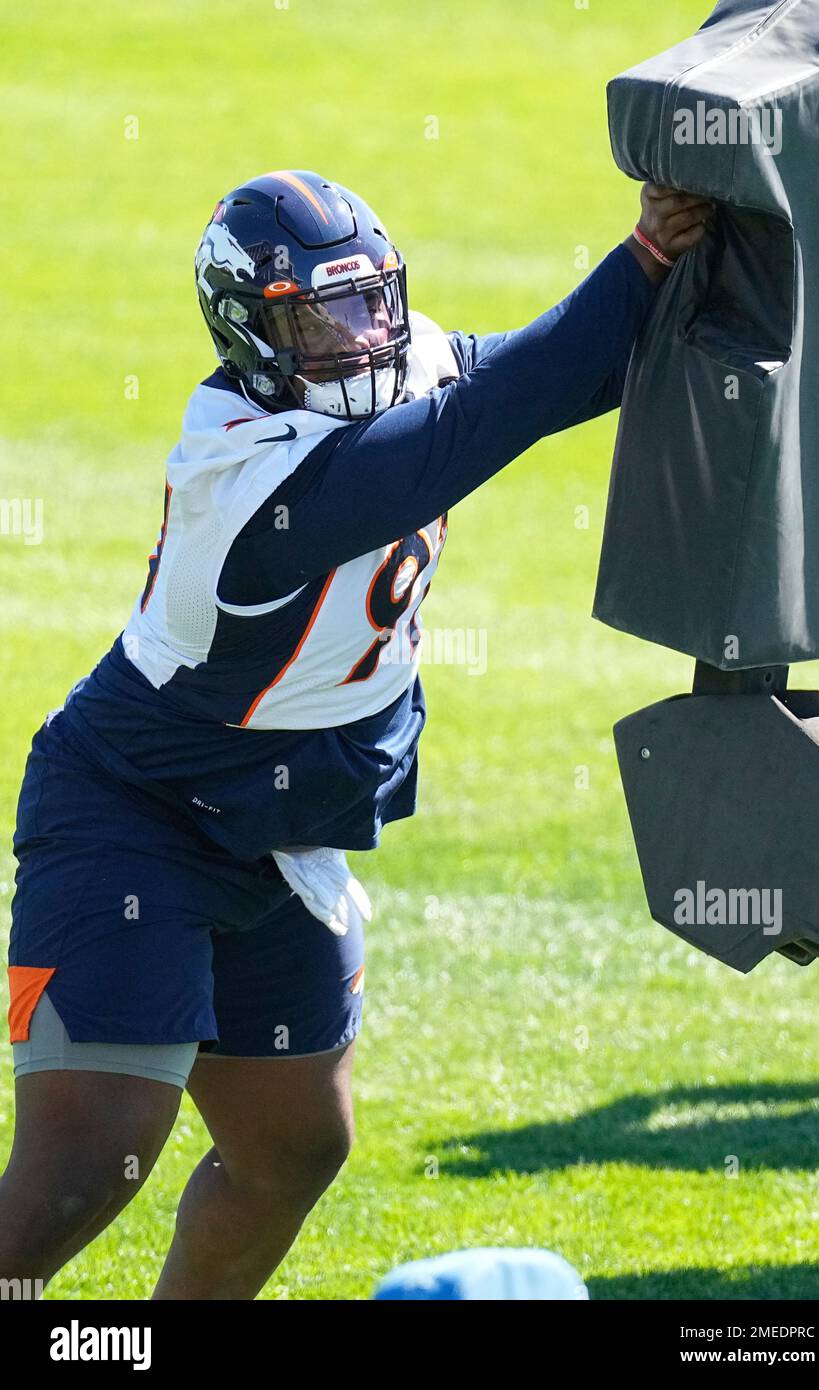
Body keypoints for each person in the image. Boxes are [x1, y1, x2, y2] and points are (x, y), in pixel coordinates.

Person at [0, 171, 713, 1298]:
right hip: (138, 812)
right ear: (249, 332)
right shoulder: (244, 476)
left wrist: (727, 253)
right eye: (317, 317)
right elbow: (481, 423)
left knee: (291, 1149)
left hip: (284, 819)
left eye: (370, 303)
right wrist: (641, 253)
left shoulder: (401, 366)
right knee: (84, 1169)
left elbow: (568, 371)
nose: (360, 337)